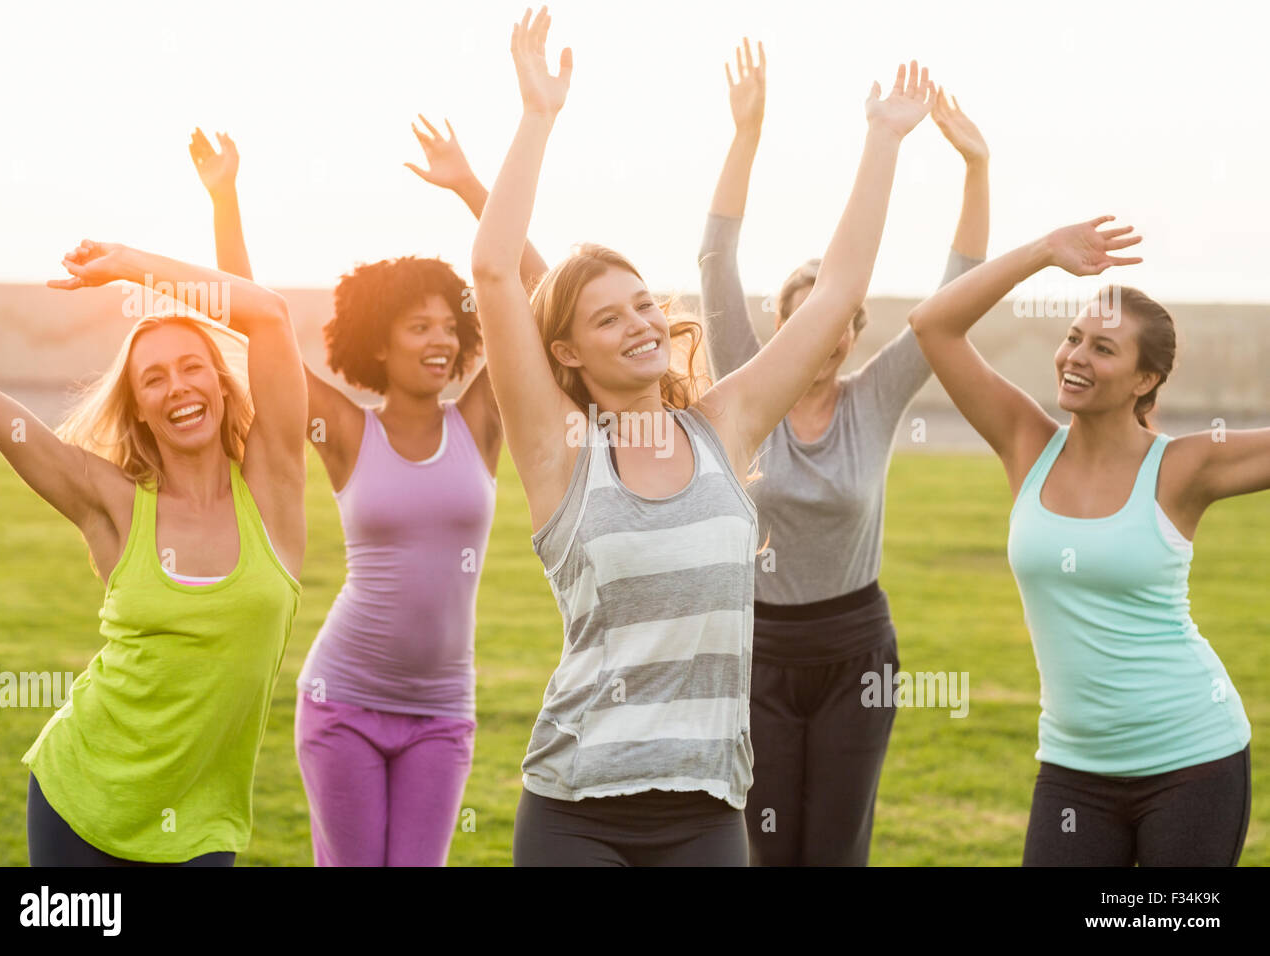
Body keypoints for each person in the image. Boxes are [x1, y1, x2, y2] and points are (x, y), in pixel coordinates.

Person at [472, 7, 935, 866]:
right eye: (608, 318)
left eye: (645, 302)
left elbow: (835, 294)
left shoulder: (722, 426)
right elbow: (495, 270)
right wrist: (538, 117)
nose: (642, 323)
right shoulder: (561, 451)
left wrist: (882, 143)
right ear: (567, 351)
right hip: (575, 806)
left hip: (709, 809)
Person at [189, 121, 545, 865]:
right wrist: (225, 200)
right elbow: (256, 331)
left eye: (449, 326)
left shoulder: (481, 423)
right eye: (419, 326)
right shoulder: (347, 434)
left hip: (442, 714)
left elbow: (541, 297)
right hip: (342, 701)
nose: (441, 340)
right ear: (379, 342)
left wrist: (470, 187)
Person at [698, 38, 990, 866]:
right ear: (786, 327)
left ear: (854, 328)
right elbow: (715, 259)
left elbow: (956, 292)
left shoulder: (878, 394)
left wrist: (975, 168)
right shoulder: (749, 393)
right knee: (766, 847)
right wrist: (746, 133)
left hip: (856, 653)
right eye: (803, 320)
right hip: (757, 652)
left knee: (833, 850)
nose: (820, 335)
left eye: (835, 319)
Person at [908, 216, 1258, 866]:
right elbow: (933, 324)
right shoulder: (1026, 442)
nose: (1075, 357)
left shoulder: (1183, 466)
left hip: (1192, 761)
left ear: (1144, 380)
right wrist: (1043, 251)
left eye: (1103, 349)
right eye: (1073, 338)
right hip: (1074, 770)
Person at [0, 241, 305, 865]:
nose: (177, 387)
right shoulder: (116, 505)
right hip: (79, 802)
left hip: (201, 827)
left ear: (223, 386)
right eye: (153, 378)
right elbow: (1, 419)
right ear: (142, 410)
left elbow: (270, 316)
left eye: (192, 366)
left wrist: (128, 267)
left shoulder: (272, 491)